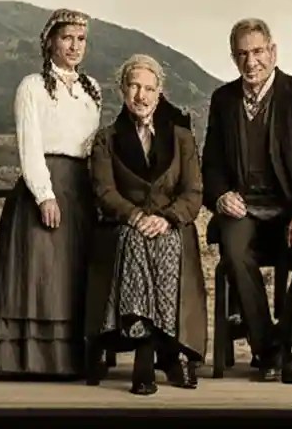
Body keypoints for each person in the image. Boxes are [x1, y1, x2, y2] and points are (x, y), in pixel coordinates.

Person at [201, 18, 292, 384]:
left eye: (258, 51)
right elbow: (211, 163)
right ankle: (266, 348)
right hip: (244, 212)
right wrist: (220, 195)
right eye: (242, 54)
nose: (251, 62)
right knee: (234, 248)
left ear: (273, 52)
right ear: (234, 58)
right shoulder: (223, 100)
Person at [0, 8, 103, 380]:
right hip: (45, 185)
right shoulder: (31, 87)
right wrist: (44, 194)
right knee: (42, 275)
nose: (74, 46)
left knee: (73, 275)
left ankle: (74, 360)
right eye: (67, 38)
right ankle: (29, 362)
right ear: (50, 42)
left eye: (81, 39)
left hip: (81, 189)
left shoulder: (92, 89)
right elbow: (29, 145)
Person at [84, 54, 209, 395]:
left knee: (164, 241)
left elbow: (193, 192)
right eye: (134, 86)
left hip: (170, 225)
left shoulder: (181, 137)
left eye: (149, 89)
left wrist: (166, 219)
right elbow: (104, 191)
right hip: (124, 226)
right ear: (122, 89)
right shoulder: (107, 139)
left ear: (159, 92)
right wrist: (136, 216)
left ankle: (160, 350)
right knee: (135, 239)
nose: (141, 95)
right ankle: (147, 351)